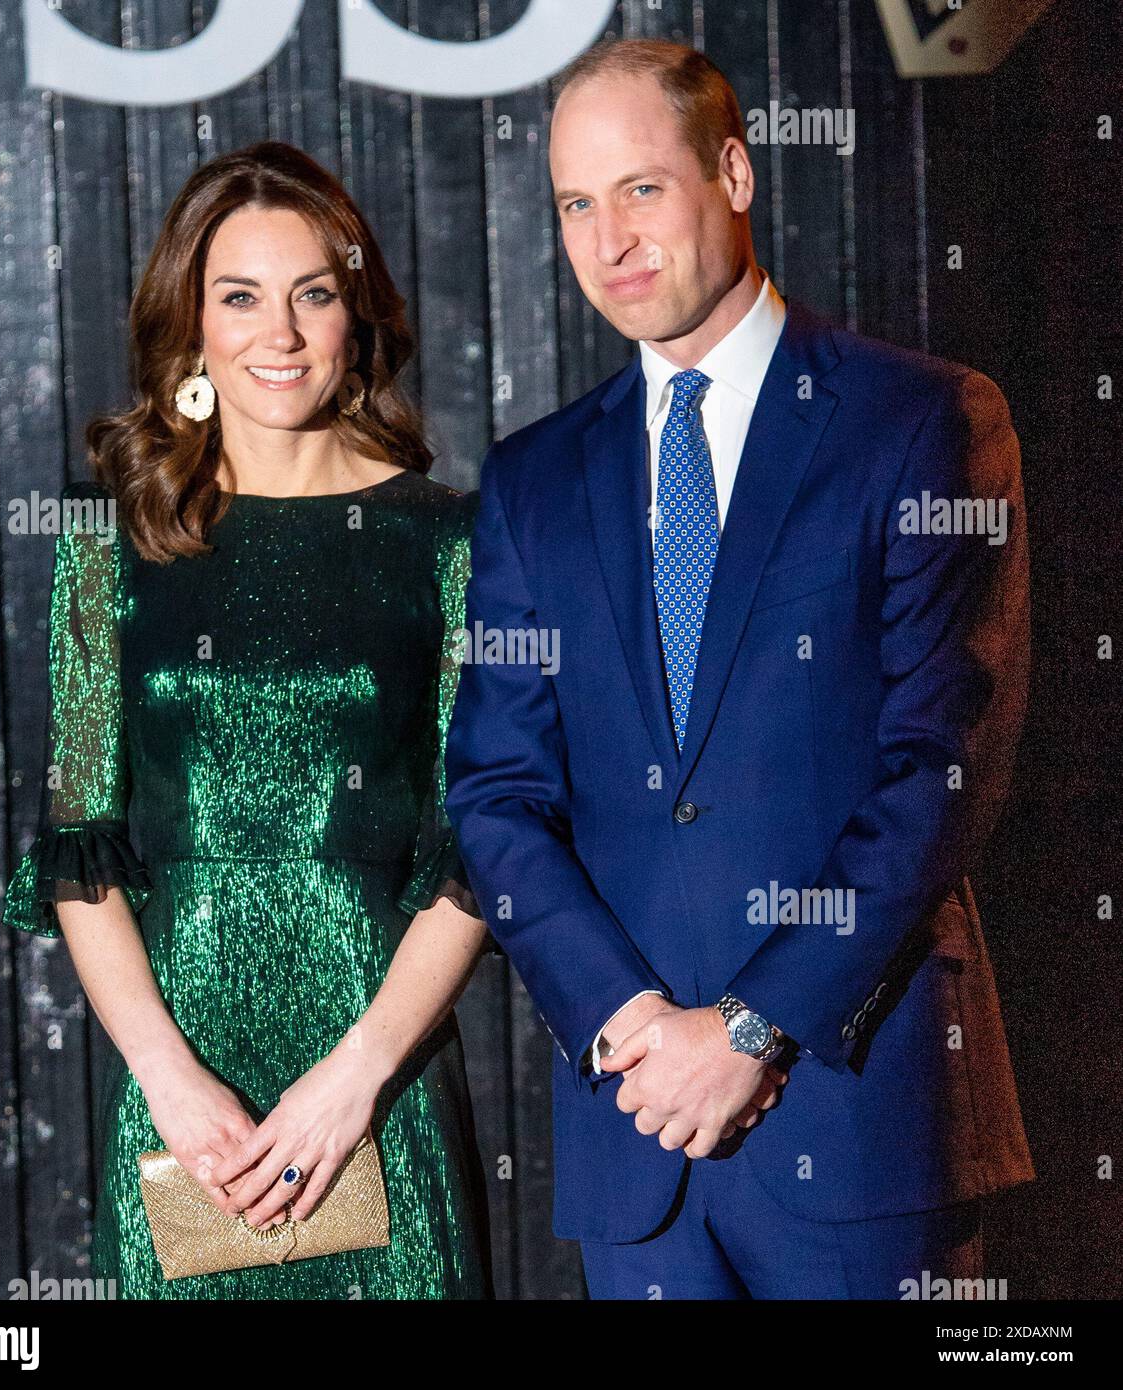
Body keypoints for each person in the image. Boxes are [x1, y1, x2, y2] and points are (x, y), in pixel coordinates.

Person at [444, 39, 1033, 1300]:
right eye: (574, 204)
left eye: (641, 189)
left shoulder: (920, 418)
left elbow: (943, 761)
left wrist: (752, 1027)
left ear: (732, 170)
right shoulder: (532, 482)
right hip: (637, 1139)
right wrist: (630, 1027)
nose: (609, 239)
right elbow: (493, 794)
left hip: (858, 1114)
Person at [3, 141, 492, 1300]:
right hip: (184, 1096)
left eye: (312, 294)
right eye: (240, 297)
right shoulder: (103, 541)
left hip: (380, 1080)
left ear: (354, 314)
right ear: (191, 323)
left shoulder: (449, 541)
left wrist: (353, 1081)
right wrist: (171, 1083)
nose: (278, 333)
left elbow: (481, 847)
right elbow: (80, 851)